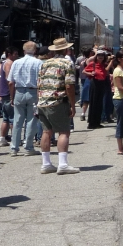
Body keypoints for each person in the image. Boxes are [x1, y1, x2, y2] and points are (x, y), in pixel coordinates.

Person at [36, 38, 79, 175]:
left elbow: (39, 84)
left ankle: (46, 163)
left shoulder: (44, 64)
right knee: (64, 131)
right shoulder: (67, 63)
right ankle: (63, 164)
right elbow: (69, 86)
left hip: (43, 100)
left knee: (46, 132)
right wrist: (72, 104)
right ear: (66, 49)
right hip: (58, 101)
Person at [8, 41, 42, 156]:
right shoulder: (38, 62)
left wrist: (12, 97)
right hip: (33, 91)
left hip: (19, 91)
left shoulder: (16, 62)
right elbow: (40, 81)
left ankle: (14, 148)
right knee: (32, 120)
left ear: (23, 51)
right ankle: (28, 147)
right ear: (35, 51)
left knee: (17, 120)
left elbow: (11, 82)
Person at [0, 47, 16, 147]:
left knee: (6, 118)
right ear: (9, 54)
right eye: (15, 53)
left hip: (3, 93)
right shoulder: (9, 63)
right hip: (8, 93)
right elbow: (9, 79)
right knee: (13, 118)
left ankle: (2, 138)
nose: (17, 55)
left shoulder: (4, 63)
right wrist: (12, 95)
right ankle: (15, 138)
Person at [84, 49, 110, 129]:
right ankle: (91, 123)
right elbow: (84, 71)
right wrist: (90, 73)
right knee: (94, 103)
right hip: (94, 83)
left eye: (102, 56)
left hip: (101, 84)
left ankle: (97, 122)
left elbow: (106, 73)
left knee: (99, 103)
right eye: (99, 55)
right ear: (96, 56)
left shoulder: (103, 65)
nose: (100, 57)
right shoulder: (93, 64)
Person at [78, 49, 93, 121]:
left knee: (86, 98)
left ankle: (83, 114)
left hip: (87, 80)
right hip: (90, 80)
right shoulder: (89, 60)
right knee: (88, 98)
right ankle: (86, 114)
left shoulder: (83, 60)